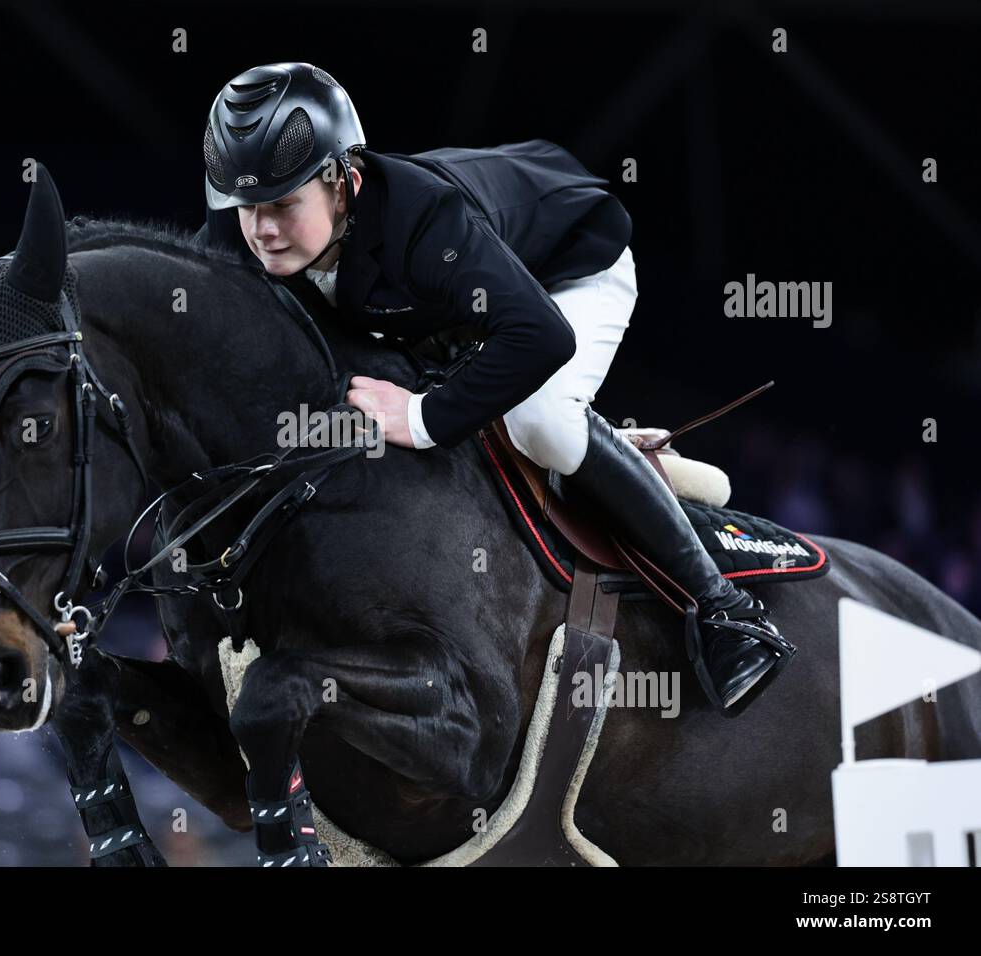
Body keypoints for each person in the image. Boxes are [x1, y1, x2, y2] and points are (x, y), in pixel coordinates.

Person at [193, 62, 797, 722]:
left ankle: (728, 614)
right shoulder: (243, 232)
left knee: (539, 420)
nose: (262, 230)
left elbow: (540, 338)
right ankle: (604, 440)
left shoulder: (426, 221)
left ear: (345, 181)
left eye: (282, 205)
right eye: (245, 207)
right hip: (457, 312)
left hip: (569, 268)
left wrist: (423, 417)